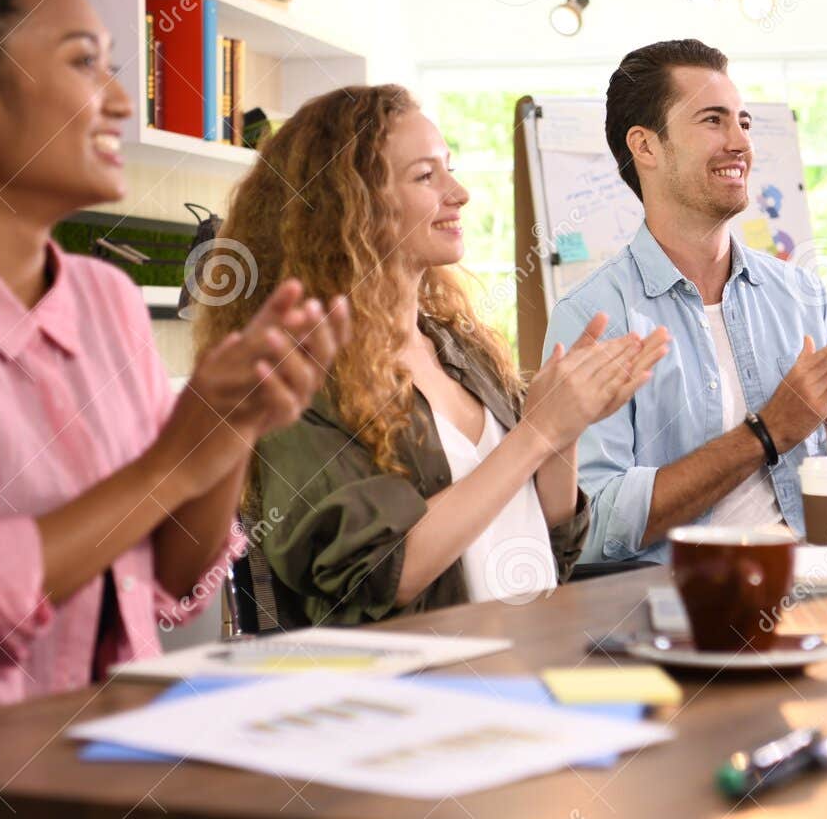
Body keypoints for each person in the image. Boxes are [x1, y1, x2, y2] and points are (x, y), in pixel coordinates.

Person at [0, 0, 347, 819]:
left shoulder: (106, 299)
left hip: (112, 812)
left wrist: (227, 432)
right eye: (85, 62)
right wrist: (178, 448)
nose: (122, 103)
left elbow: (171, 579)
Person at [196, 85, 668, 624]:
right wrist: (535, 434)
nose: (460, 192)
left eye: (449, 169)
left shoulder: (460, 347)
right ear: (349, 207)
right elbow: (379, 574)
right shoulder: (300, 374)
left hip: (532, 662)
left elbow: (552, 548)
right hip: (416, 693)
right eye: (426, 176)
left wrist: (564, 430)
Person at [543, 39, 827, 564]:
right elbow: (593, 524)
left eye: (744, 122)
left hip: (810, 584)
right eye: (713, 121)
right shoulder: (593, 316)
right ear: (645, 147)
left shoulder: (802, 295)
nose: (740, 142)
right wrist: (769, 431)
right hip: (681, 604)